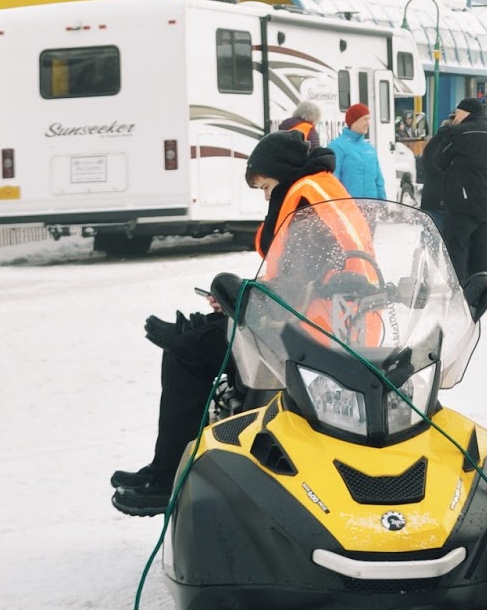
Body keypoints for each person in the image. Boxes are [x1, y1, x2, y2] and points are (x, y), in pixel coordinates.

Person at [110, 131, 357, 517]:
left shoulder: (305, 199)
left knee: (186, 354)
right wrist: (235, 300)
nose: (264, 196)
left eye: (266, 186)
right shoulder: (322, 190)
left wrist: (238, 299)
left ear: (280, 174)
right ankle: (164, 468)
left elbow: (297, 289)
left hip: (315, 334)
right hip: (336, 322)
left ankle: (167, 479)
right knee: (200, 334)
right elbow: (301, 279)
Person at [430, 97, 487, 286]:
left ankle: (459, 295)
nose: (455, 117)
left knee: (457, 253)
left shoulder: (458, 133)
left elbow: (438, 161)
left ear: (465, 113)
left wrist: (444, 136)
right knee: (482, 254)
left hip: (461, 206)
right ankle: (483, 295)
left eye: (457, 113)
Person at [326, 102, 388, 200]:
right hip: (348, 210)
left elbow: (379, 182)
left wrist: (383, 205)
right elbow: (332, 182)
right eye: (365, 119)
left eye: (369, 119)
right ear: (354, 121)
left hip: (371, 209)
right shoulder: (337, 147)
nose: (368, 123)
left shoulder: (370, 149)